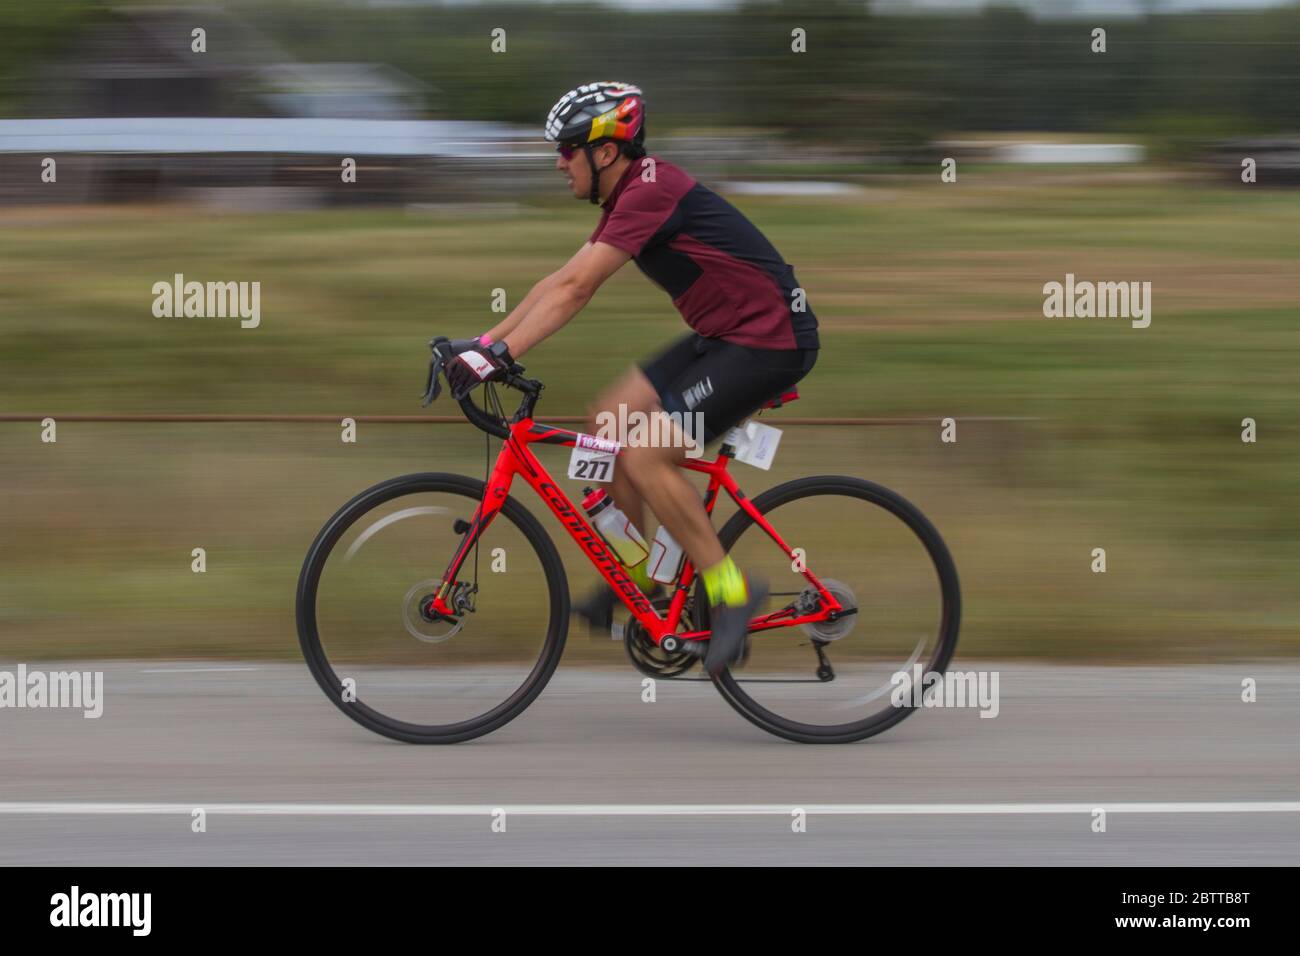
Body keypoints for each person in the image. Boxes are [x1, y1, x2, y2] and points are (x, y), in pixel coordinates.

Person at [444, 81, 818, 676]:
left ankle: (729, 590)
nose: (558, 162)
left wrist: (498, 354)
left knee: (645, 457)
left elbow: (575, 292)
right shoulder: (629, 196)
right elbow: (559, 279)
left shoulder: (651, 189)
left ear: (606, 152)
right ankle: (644, 583)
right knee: (605, 423)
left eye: (567, 150)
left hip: (767, 342)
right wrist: (486, 344)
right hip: (725, 336)